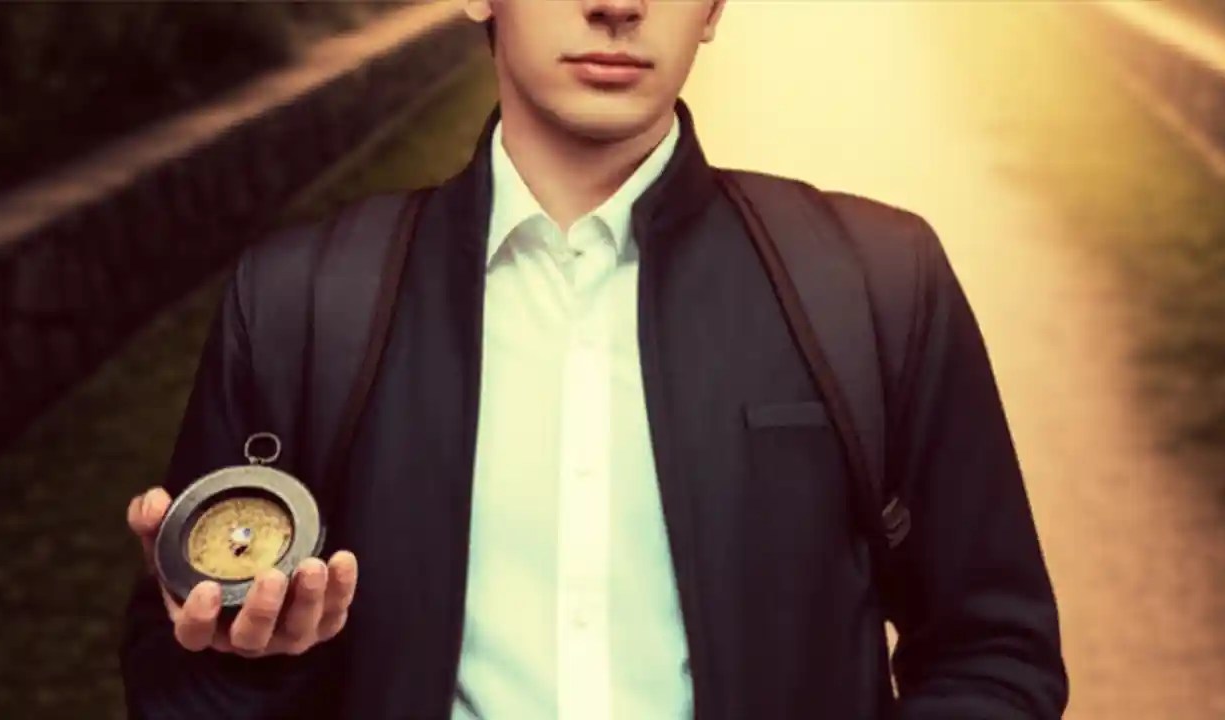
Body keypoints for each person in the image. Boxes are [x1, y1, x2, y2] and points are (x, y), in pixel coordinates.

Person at [119, 0, 1069, 717]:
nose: (618, 2)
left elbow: (996, 649)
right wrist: (246, 660)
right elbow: (172, 688)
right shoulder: (299, 298)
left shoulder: (874, 278)